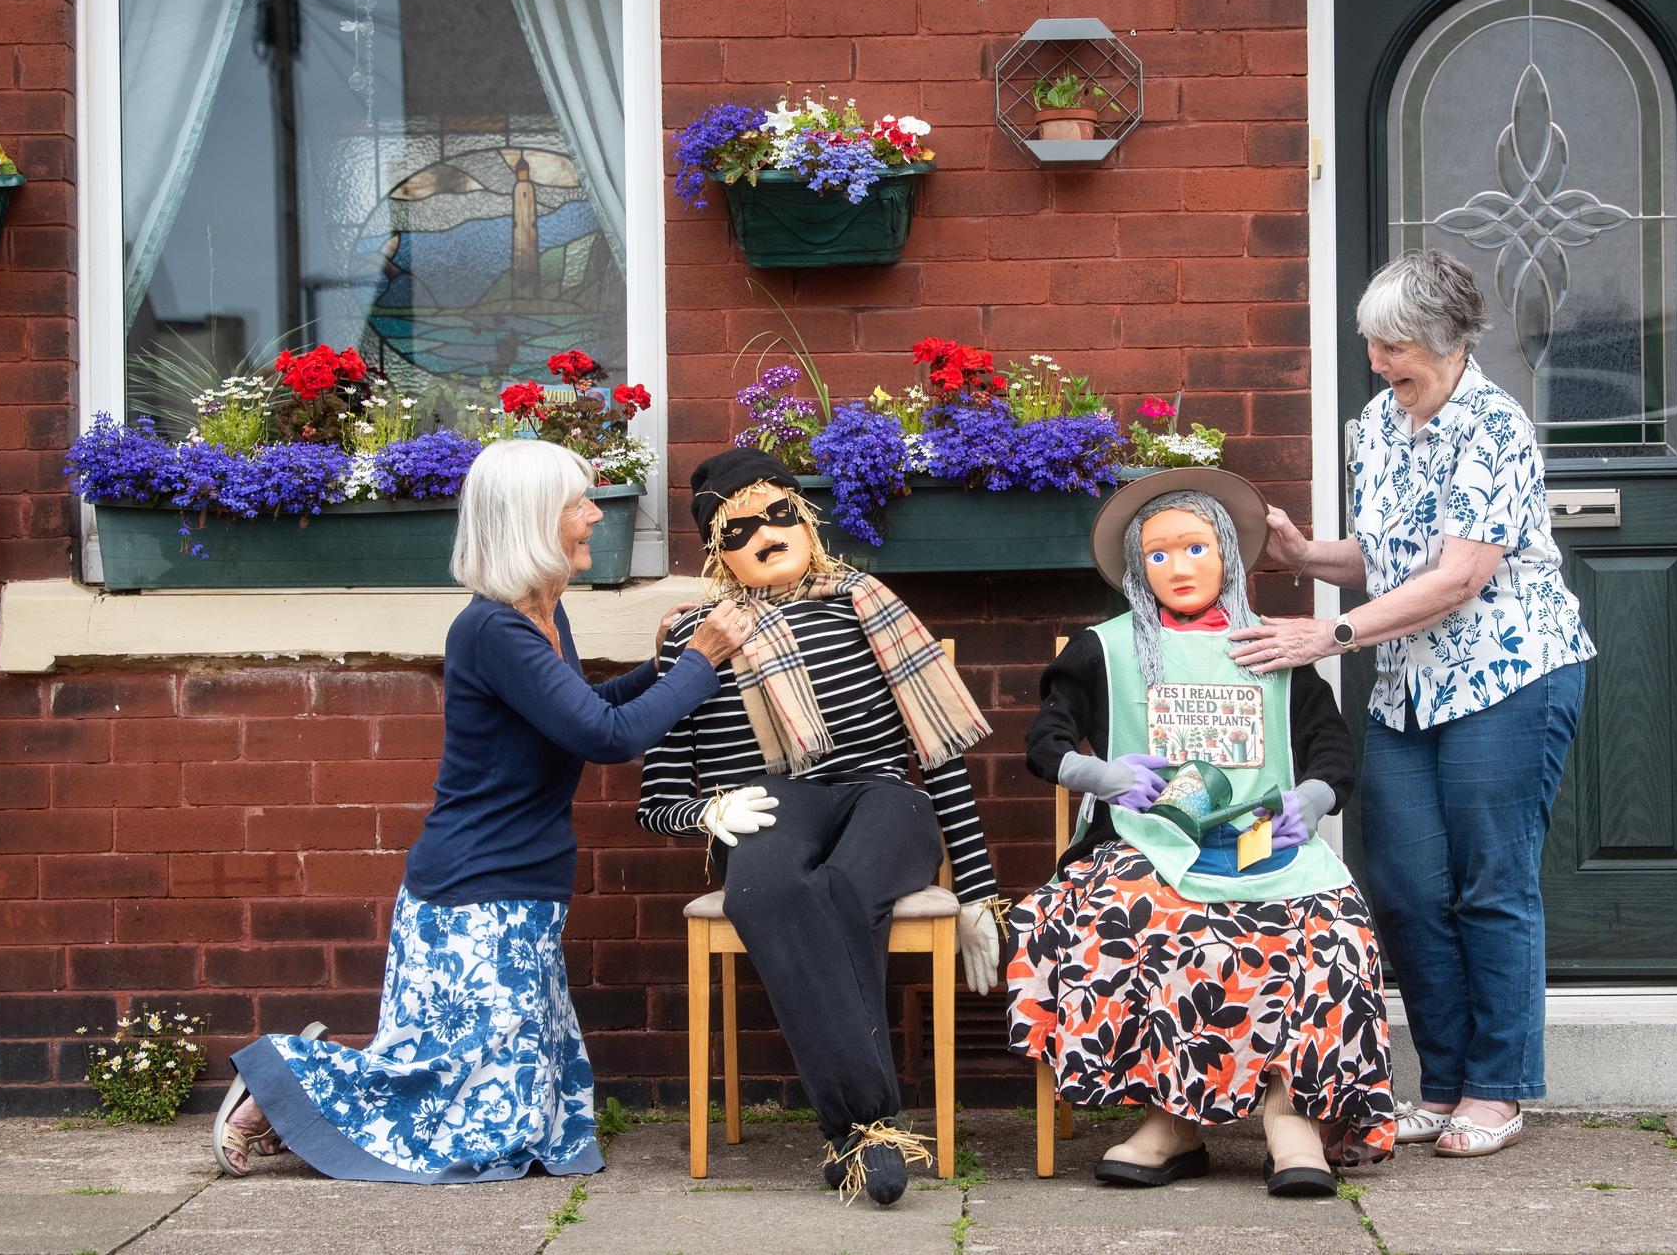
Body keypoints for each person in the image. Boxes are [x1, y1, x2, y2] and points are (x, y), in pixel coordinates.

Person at [212, 439, 760, 1183]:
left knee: (499, 1117)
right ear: (534, 521)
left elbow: (581, 712)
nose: (595, 515)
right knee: (451, 1107)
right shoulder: (492, 629)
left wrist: (665, 665)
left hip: (521, 886)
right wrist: (700, 661)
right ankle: (282, 1085)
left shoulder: (543, 618)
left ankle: (301, 1089)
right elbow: (608, 738)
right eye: (578, 503)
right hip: (475, 893)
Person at [1230, 248, 1595, 1159]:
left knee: (1489, 883)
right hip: (1409, 684)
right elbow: (1390, 556)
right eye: (1373, 346)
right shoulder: (1376, 424)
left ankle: (1497, 1088)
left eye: (1393, 347)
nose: (1380, 364)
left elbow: (1460, 576)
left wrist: (1330, 634)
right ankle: (1441, 1080)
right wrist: (1305, 555)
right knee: (1401, 885)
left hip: (1509, 673)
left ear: (1446, 341)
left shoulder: (1496, 427)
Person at [1007, 468, 1395, 1198]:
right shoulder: (1105, 646)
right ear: (1134, 566)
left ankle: (1291, 1117)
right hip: (1146, 841)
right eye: (1155, 554)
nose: (1176, 567)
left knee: (1335, 928)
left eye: (1192, 548)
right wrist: (1106, 775)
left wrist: (1310, 799)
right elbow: (1044, 740)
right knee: (1143, 918)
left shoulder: (1271, 646)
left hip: (1265, 846)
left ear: (1227, 554)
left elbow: (1332, 746)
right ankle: (1172, 1121)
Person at [637, 447, 1004, 1207]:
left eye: (778, 513)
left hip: (885, 795)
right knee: (767, 890)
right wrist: (707, 812)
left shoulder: (867, 602)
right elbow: (658, 795)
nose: (764, 534)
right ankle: (865, 1127)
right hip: (771, 799)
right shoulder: (696, 638)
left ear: (804, 516)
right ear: (716, 552)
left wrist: (975, 891)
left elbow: (937, 752)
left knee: (843, 884)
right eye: (738, 529)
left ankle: (855, 1130)